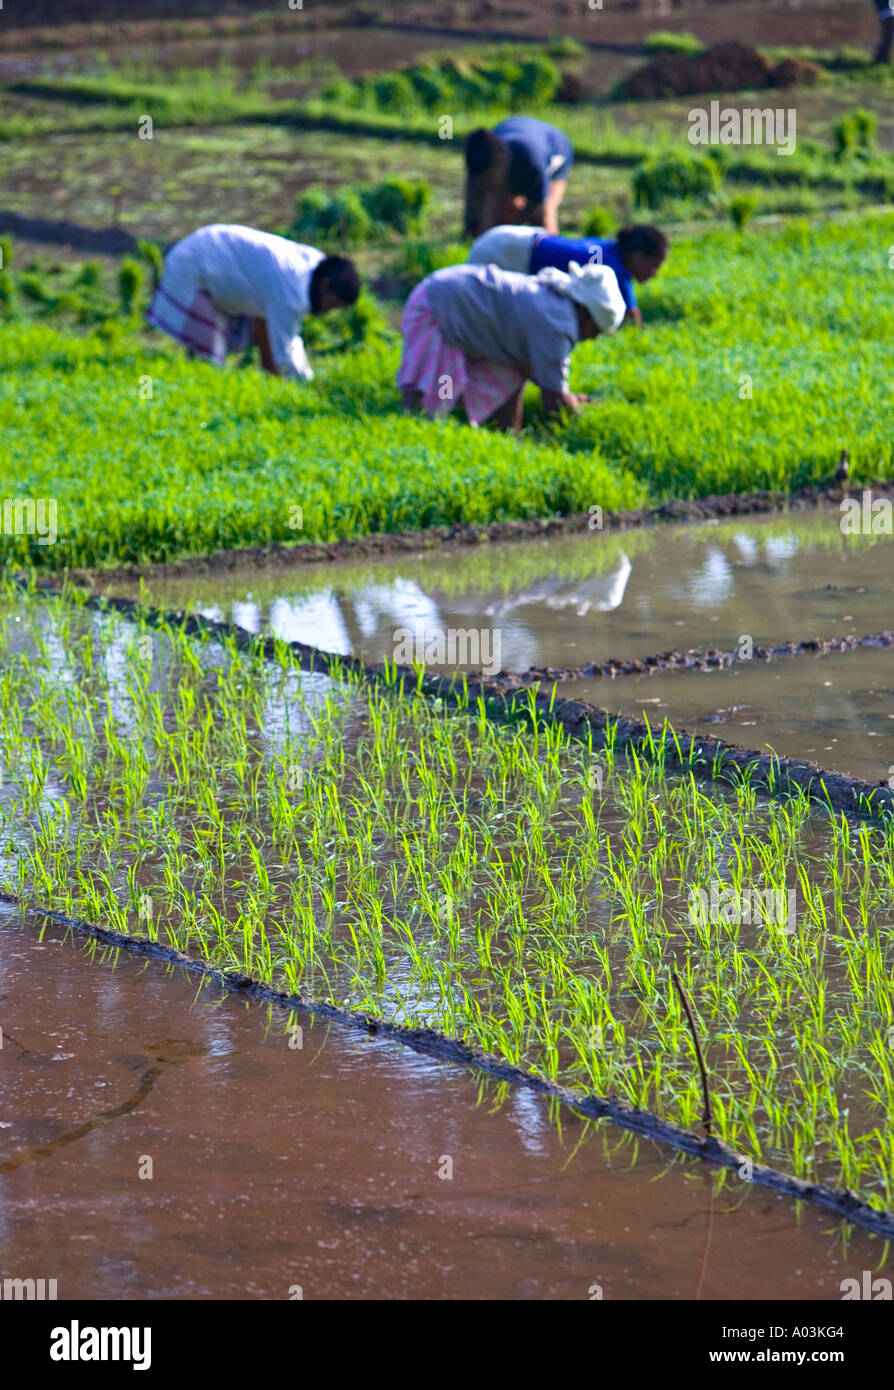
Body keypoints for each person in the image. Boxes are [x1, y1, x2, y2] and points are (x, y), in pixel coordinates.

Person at [397, 259, 625, 432]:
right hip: (439, 309)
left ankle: (507, 434)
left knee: (512, 372)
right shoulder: (557, 323)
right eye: (595, 330)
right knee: (439, 385)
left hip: (450, 295)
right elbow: (554, 402)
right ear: (585, 313)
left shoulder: (557, 304)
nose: (593, 339)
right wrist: (586, 417)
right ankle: (414, 430)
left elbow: (532, 370)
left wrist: (570, 396)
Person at [146, 223, 360, 379]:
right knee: (209, 363)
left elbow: (268, 330)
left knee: (219, 350)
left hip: (210, 252)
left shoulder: (314, 265)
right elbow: (285, 349)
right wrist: (304, 383)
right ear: (324, 287)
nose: (328, 311)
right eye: (332, 305)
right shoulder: (292, 290)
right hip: (196, 265)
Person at [468, 223, 668, 327]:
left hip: (514, 239)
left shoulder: (608, 249)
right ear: (637, 255)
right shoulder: (615, 270)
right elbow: (631, 318)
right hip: (508, 253)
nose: (655, 273)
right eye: (654, 265)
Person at [463, 117, 574, 240]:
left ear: (502, 160)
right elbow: (472, 210)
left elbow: (537, 205)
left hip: (556, 152)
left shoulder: (532, 160)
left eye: (489, 179)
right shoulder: (479, 160)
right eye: (483, 182)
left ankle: (554, 255)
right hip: (516, 133)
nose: (486, 186)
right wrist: (470, 229)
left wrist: (510, 233)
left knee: (544, 217)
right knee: (491, 216)